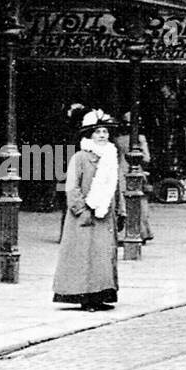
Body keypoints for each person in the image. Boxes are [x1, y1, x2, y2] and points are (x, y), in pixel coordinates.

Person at [53, 110, 125, 312]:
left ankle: (100, 295)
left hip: (105, 214)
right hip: (84, 216)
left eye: (105, 132)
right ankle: (85, 297)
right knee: (84, 257)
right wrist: (81, 210)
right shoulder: (80, 157)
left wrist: (121, 210)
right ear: (89, 135)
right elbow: (72, 186)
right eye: (98, 132)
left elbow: (116, 186)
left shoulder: (111, 156)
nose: (102, 135)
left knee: (103, 257)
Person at [113, 115, 154, 242]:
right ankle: (143, 231)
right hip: (136, 170)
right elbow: (147, 158)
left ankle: (125, 232)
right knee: (140, 201)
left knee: (123, 203)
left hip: (120, 171)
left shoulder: (117, 139)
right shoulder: (140, 139)